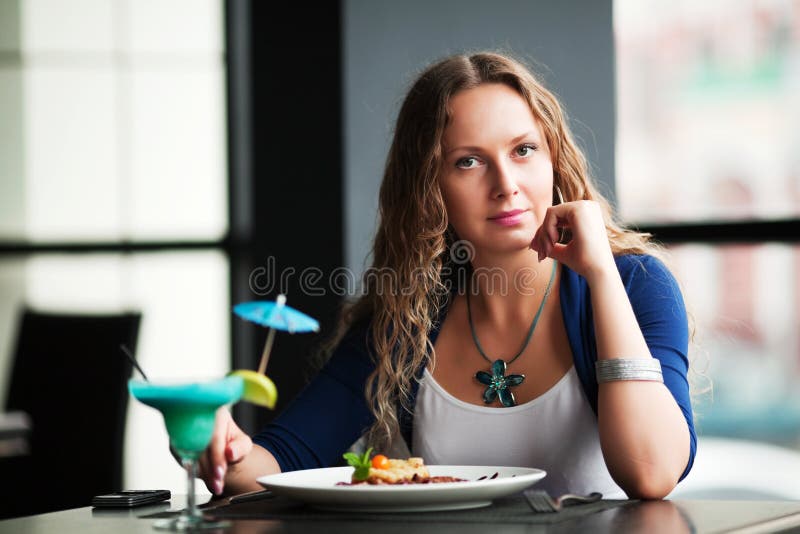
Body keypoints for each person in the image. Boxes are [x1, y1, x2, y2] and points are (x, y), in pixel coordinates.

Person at [198, 50, 696, 500]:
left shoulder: (635, 284)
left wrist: (600, 273)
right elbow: (278, 464)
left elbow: (652, 474)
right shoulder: (404, 318)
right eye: (468, 162)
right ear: (428, 189)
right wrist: (222, 446)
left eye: (523, 150)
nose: (506, 185)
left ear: (555, 160)